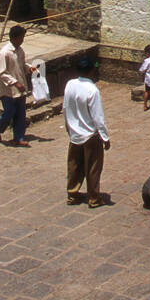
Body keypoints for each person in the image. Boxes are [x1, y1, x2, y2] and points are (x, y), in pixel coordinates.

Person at [63, 55, 110, 208]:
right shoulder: (92, 90)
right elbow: (98, 117)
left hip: (75, 134)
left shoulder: (70, 85)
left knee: (74, 166)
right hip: (90, 135)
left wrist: (68, 128)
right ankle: (94, 198)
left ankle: (72, 194)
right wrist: (105, 137)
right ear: (91, 71)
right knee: (93, 168)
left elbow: (65, 108)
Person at [0, 24, 36, 147]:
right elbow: (1, 72)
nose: (22, 40)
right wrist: (15, 83)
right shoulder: (4, 53)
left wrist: (29, 68)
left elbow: (22, 65)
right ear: (15, 38)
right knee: (9, 111)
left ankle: (18, 137)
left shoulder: (20, 51)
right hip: (9, 90)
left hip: (20, 87)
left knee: (20, 113)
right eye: (21, 37)